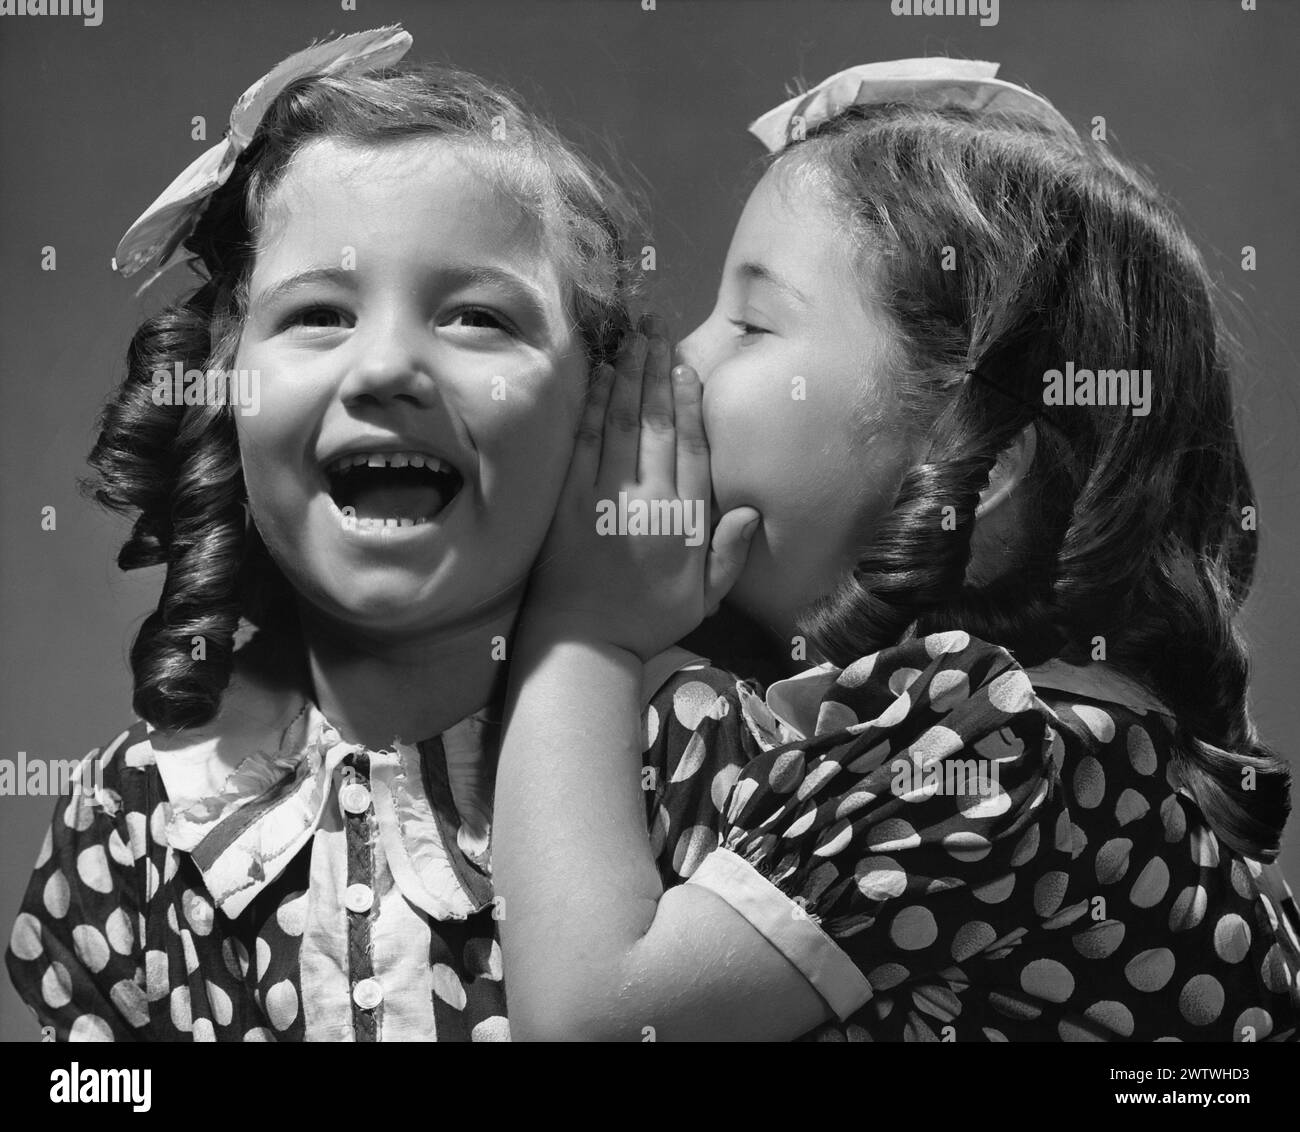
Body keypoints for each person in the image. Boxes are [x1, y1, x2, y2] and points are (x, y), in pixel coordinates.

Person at [495, 60, 1300, 1042]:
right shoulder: (1088, 757)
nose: (685, 364)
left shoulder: (994, 742)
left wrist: (581, 633)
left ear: (986, 470)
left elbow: (591, 1021)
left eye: (750, 323)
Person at [4, 26, 750, 1042]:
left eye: (479, 318)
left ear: (602, 407)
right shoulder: (133, 819)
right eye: (317, 313)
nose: (386, 366)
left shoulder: (713, 762)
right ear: (225, 387)